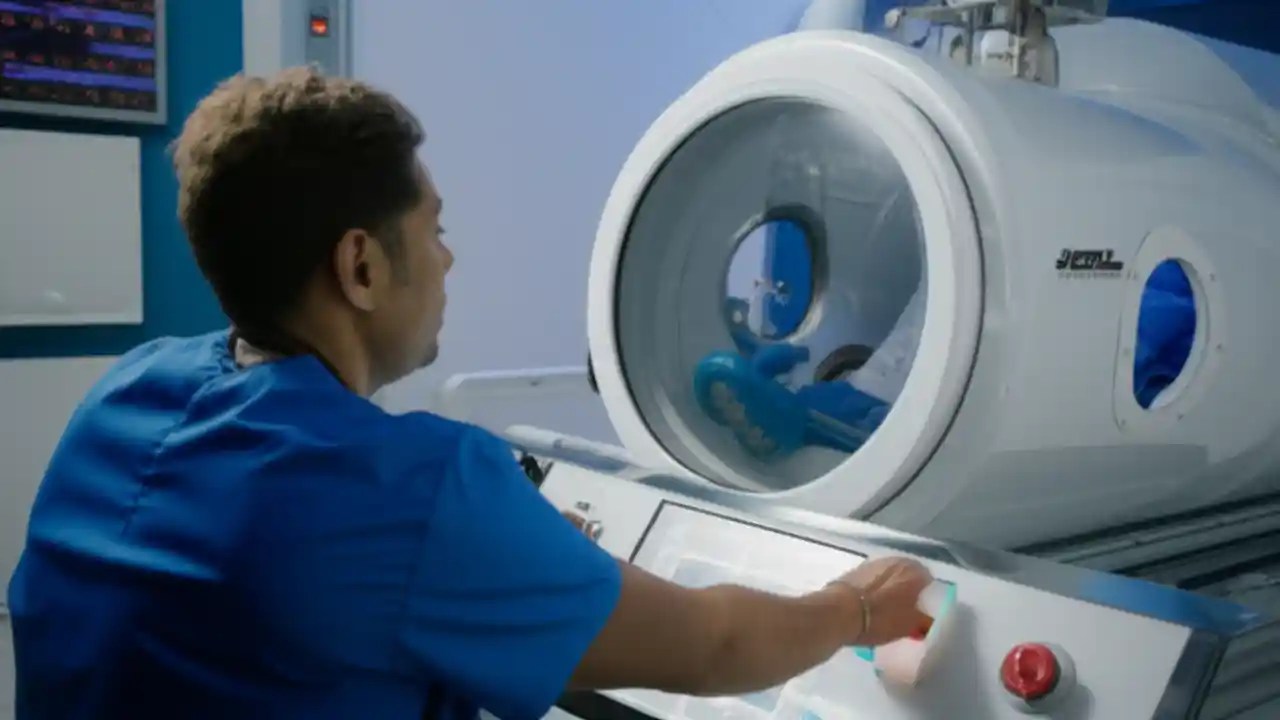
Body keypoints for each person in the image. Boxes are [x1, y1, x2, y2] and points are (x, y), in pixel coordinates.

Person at [6, 67, 933, 720]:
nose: (448, 259)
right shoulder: (413, 492)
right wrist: (856, 608)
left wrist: (510, 563)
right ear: (361, 266)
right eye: (434, 228)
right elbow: (712, 648)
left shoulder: (123, 394)